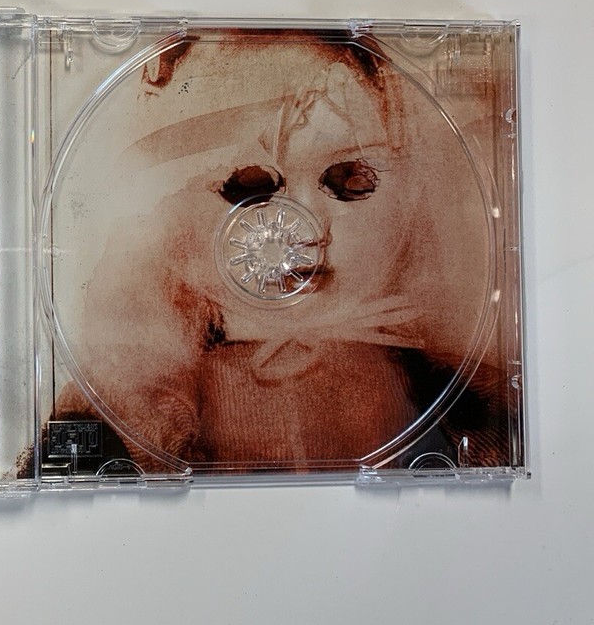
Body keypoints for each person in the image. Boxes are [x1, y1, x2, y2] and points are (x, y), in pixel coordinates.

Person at [45, 29, 510, 476]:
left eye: (349, 180)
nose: (304, 230)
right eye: (250, 188)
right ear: (175, 206)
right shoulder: (134, 397)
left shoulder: (473, 404)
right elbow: (81, 478)